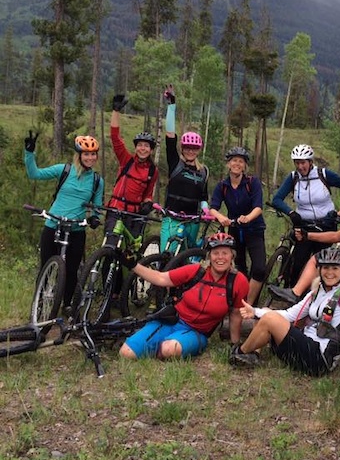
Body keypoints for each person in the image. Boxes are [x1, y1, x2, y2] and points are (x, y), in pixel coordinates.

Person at [229, 246, 340, 376]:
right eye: (325, 268)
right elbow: (290, 315)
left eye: (335, 268)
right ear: (320, 270)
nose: (329, 272)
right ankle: (251, 354)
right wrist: (255, 311)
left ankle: (239, 353)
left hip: (319, 358)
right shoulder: (315, 293)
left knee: (270, 319)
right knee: (268, 313)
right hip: (303, 348)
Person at [119, 232, 249, 360]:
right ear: (209, 256)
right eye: (215, 253)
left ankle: (158, 346)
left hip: (197, 332)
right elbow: (161, 278)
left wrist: (235, 344)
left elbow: (236, 314)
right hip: (172, 320)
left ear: (232, 256)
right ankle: (150, 343)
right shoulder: (196, 271)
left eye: (225, 253)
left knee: (169, 349)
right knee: (126, 353)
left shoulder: (239, 281)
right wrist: (133, 265)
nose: (220, 257)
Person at [24, 132, 104, 308]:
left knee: (71, 271)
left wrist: (95, 218)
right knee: (46, 267)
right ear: (79, 155)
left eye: (93, 154)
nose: (90, 158)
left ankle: (67, 305)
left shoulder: (97, 180)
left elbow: (97, 207)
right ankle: (39, 305)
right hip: (53, 225)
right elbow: (34, 174)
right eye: (86, 154)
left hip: (76, 229)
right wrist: (29, 153)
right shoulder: (64, 170)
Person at [271, 144, 340, 285]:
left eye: (303, 163)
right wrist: (291, 212)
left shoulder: (323, 174)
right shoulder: (293, 177)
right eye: (297, 163)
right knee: (298, 262)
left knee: (323, 263)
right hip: (304, 225)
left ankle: (321, 291)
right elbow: (277, 199)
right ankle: (293, 290)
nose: (300, 166)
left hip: (326, 224)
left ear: (310, 162)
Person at [208, 146, 266, 304]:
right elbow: (213, 207)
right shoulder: (222, 186)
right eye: (234, 160)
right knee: (239, 268)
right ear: (228, 164)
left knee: (259, 268)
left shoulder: (252, 183)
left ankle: (249, 304)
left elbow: (258, 207)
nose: (237, 164)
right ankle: (238, 301)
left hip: (254, 229)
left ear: (245, 166)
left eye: (241, 161)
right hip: (235, 229)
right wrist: (221, 217)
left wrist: (248, 217)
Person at [161, 83, 210, 252]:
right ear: (182, 148)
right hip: (171, 218)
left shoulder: (203, 171)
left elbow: (203, 196)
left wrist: (206, 209)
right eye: (187, 148)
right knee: (166, 256)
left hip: (192, 221)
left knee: (186, 260)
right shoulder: (175, 163)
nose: (190, 151)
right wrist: (171, 106)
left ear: (198, 150)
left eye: (194, 148)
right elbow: (170, 136)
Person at [106, 93, 158, 245]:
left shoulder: (152, 171)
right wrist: (116, 111)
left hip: (134, 215)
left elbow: (148, 194)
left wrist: (148, 203)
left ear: (151, 150)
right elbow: (115, 138)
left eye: (146, 146)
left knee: (130, 251)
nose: (143, 148)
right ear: (135, 148)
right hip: (115, 210)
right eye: (140, 145)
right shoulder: (126, 160)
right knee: (110, 245)